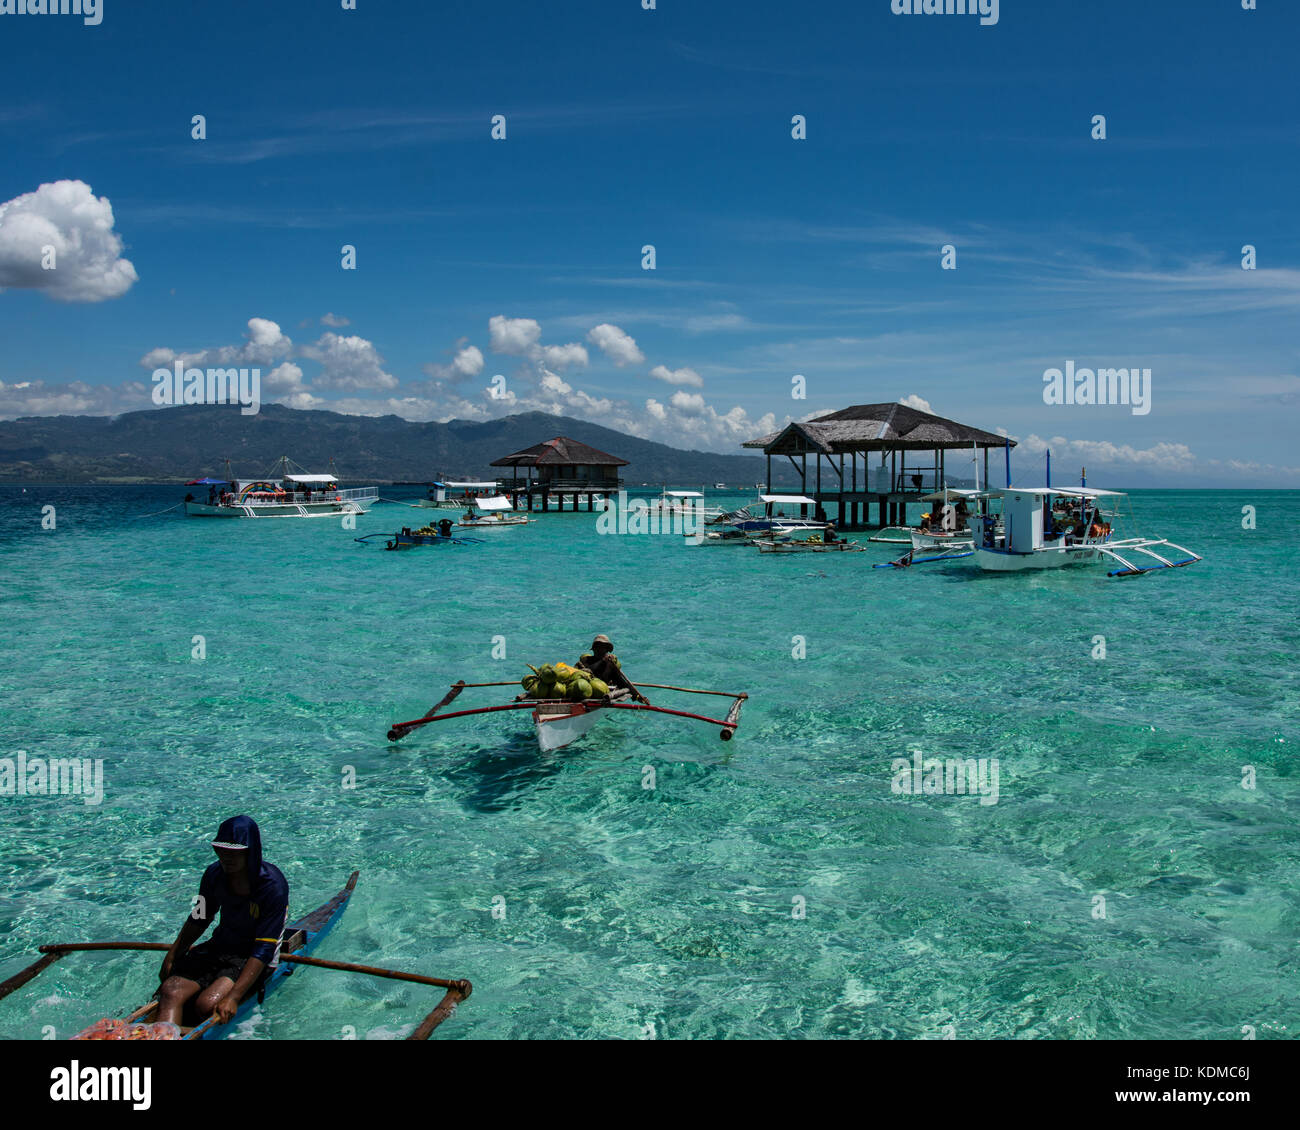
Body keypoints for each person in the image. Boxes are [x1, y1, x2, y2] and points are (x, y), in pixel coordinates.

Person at [156, 816, 288, 1029]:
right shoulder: (213, 874)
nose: (226, 856)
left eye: (235, 851)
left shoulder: (273, 886)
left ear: (250, 851)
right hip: (221, 946)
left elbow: (264, 948)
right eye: (221, 849)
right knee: (170, 989)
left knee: (207, 1005)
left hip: (253, 955)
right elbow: (199, 917)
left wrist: (234, 997)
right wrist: (173, 954)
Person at [576, 635, 648, 703]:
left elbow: (622, 683)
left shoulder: (610, 665)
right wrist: (602, 661)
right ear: (593, 649)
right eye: (597, 647)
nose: (599, 649)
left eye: (602, 647)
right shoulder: (585, 660)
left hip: (601, 693)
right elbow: (578, 673)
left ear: (607, 650)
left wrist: (638, 697)